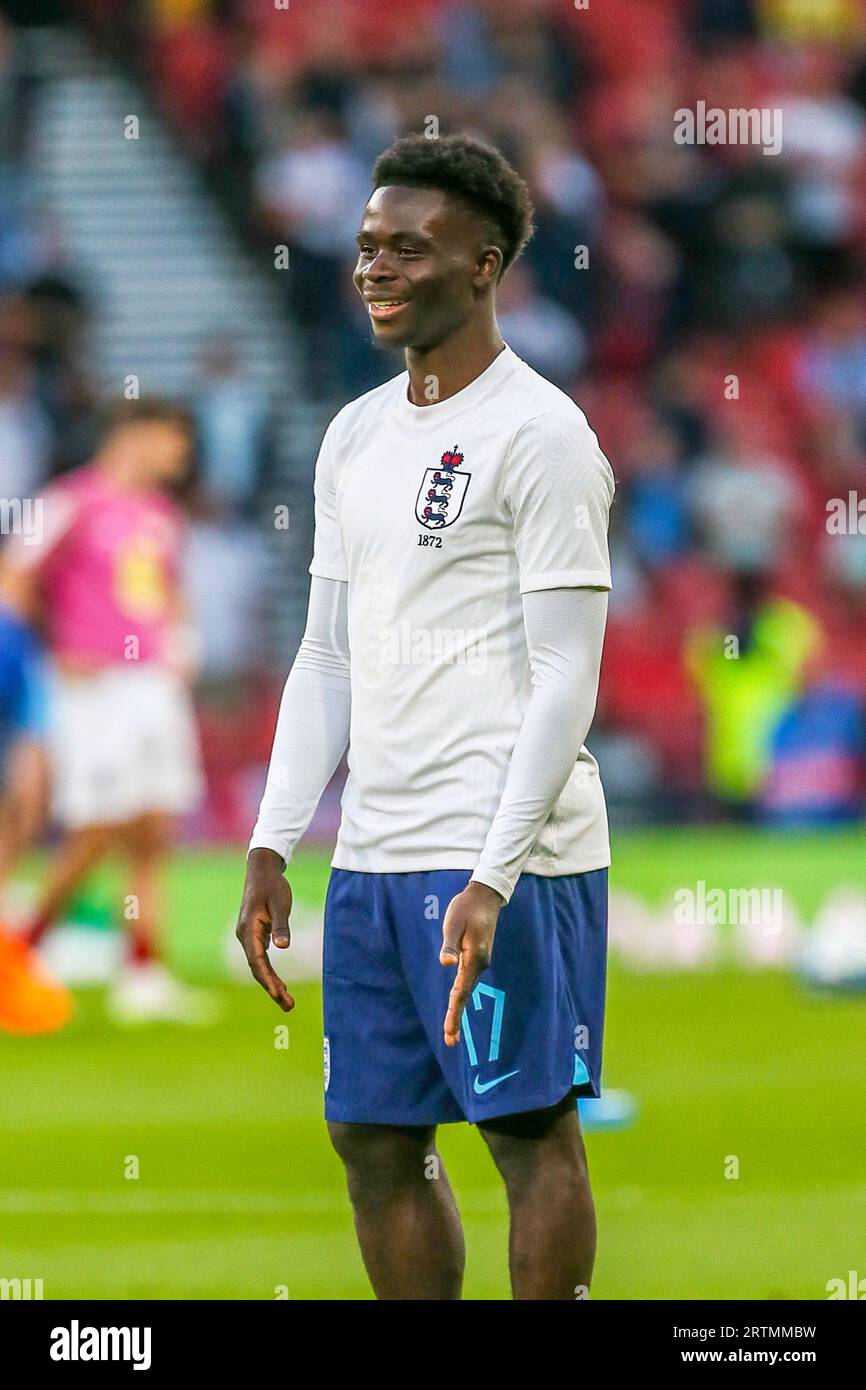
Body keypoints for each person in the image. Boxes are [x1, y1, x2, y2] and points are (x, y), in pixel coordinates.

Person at [236, 134, 615, 1300]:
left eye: (408, 246)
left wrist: (494, 874)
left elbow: (565, 676)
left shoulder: (541, 435)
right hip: (375, 850)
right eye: (364, 246)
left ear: (485, 262)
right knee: (374, 1140)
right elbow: (325, 654)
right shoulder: (353, 434)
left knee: (523, 1131)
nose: (374, 266)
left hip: (508, 853)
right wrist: (270, 838)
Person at [0, 398, 211, 1029]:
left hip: (152, 684)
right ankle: (24, 948)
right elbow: (13, 577)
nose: (179, 457)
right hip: (93, 690)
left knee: (155, 824)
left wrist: (180, 641)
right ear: (134, 435)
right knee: (97, 825)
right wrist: (51, 649)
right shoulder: (70, 500)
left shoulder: (161, 515)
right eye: (170, 440)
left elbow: (169, 590)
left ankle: (143, 972)